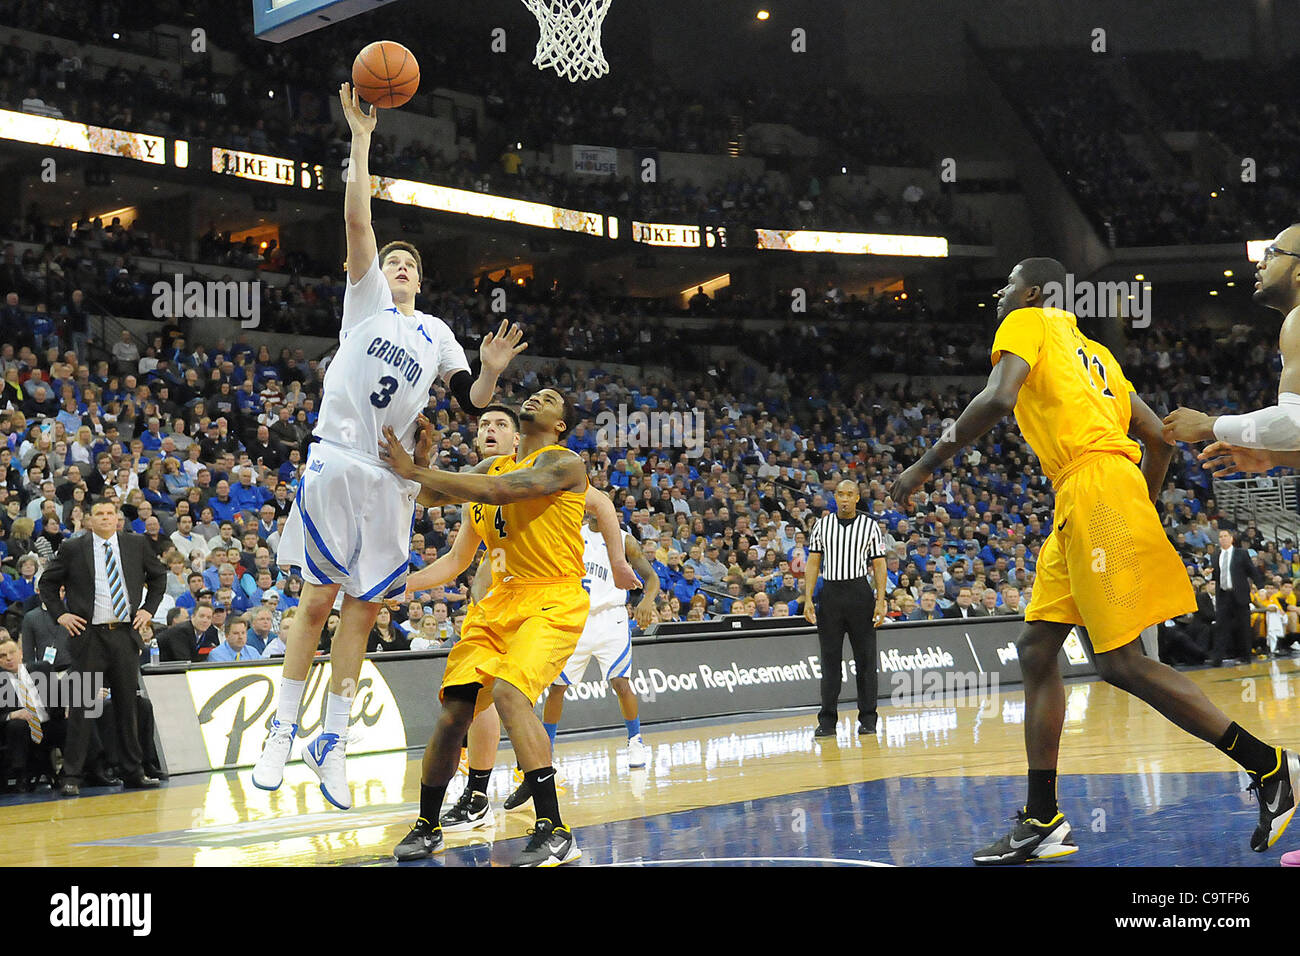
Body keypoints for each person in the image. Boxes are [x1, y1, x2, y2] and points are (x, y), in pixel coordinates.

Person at [891, 256, 1297, 864]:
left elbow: (1000, 397)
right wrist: (1139, 503)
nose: (1000, 295)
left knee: (1120, 664)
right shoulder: (1102, 359)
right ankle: (1042, 817)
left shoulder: (1027, 321)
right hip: (1091, 494)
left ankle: (1268, 766)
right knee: (1036, 648)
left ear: (1033, 292)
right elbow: (1159, 436)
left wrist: (924, 464)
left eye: (1007, 285)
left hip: (1092, 491)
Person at [252, 81, 528, 812]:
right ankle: (281, 727)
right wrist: (361, 138)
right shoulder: (365, 299)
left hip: (392, 479)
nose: (399, 265)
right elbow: (355, 217)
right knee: (316, 604)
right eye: (393, 260)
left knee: (365, 612)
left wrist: (492, 374)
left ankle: (331, 740)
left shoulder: (436, 332)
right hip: (338, 456)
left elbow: (470, 400)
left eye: (409, 263)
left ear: (422, 279)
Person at [382, 388, 608, 866]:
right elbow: (431, 494)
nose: (533, 399)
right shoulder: (489, 469)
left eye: (547, 399)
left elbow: (504, 492)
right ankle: (428, 824)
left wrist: (415, 469)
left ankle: (554, 829)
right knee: (455, 712)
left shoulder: (565, 463)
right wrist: (421, 461)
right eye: (531, 395)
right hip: (498, 602)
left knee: (508, 692)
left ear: (560, 423)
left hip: (552, 596)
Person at [37, 498, 167, 796]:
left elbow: (159, 577)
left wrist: (148, 609)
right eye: (100, 514)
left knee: (127, 704)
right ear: (89, 519)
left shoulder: (136, 545)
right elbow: (47, 584)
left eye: (111, 513)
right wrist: (61, 614)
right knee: (83, 706)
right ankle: (71, 775)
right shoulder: (73, 548)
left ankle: (133, 771)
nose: (106, 518)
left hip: (125, 634)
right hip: (89, 635)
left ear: (118, 518)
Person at [532, 507, 660, 798]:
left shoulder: (625, 540)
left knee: (621, 683)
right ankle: (546, 749)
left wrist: (647, 601)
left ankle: (635, 740)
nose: (594, 514)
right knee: (557, 687)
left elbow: (651, 579)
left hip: (611, 618)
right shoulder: (571, 534)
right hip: (574, 617)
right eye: (590, 510)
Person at [804, 479, 888, 737]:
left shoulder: (870, 526)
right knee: (830, 662)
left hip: (859, 593)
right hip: (830, 594)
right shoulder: (821, 525)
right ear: (835, 497)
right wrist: (808, 598)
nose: (844, 498)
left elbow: (879, 565)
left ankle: (868, 718)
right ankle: (827, 721)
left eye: (849, 494)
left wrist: (881, 600)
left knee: (865, 660)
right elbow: (813, 563)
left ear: (856, 498)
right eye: (840, 494)